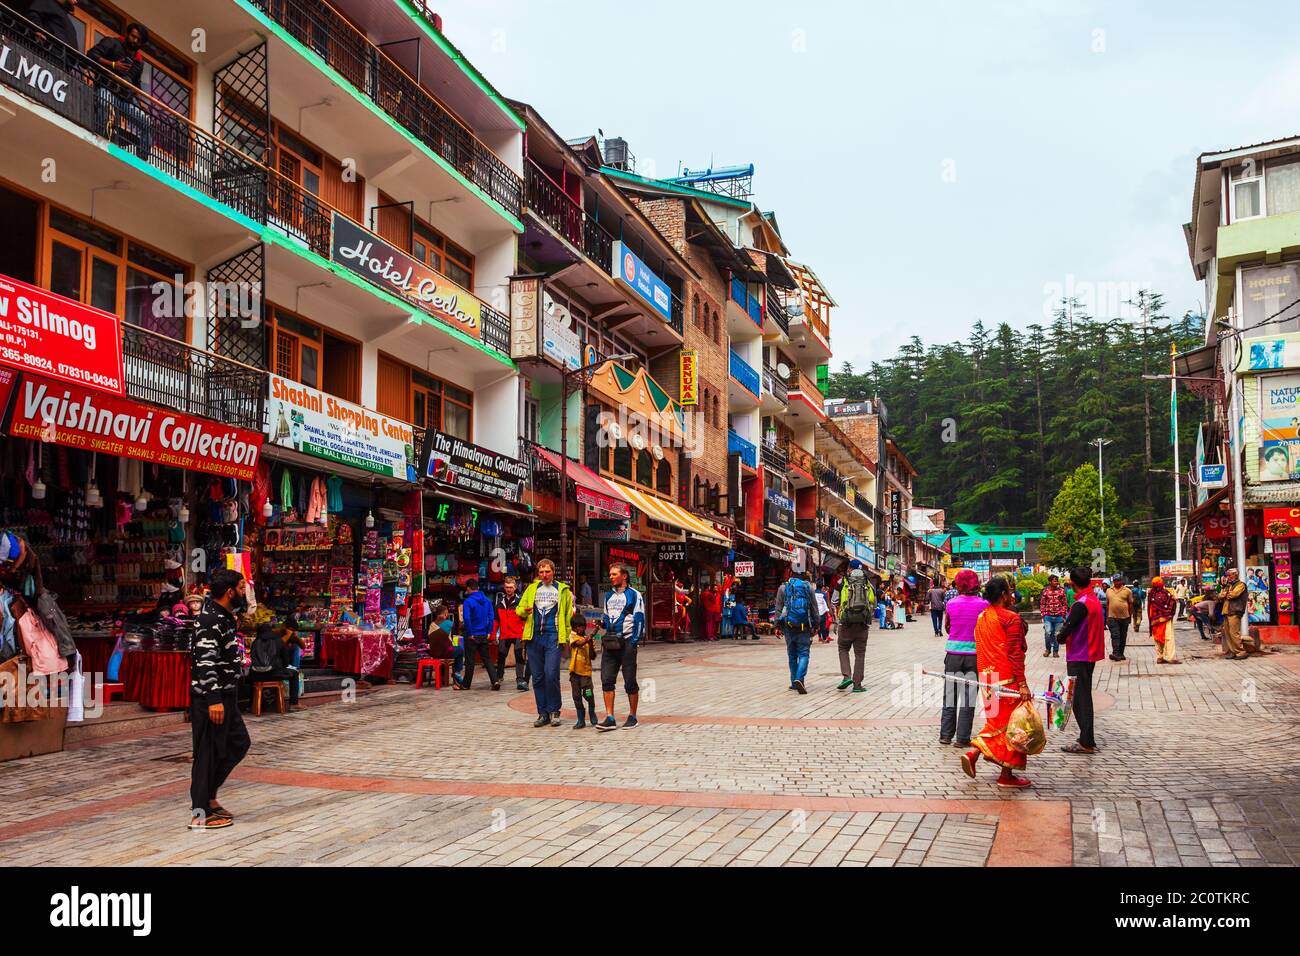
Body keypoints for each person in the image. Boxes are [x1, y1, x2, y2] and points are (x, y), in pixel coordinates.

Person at [189, 569, 251, 830]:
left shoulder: (225, 617)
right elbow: (205, 661)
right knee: (208, 753)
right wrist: (213, 698)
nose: (243, 592)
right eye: (240, 587)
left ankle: (210, 797)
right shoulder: (209, 620)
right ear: (229, 592)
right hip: (211, 698)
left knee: (238, 743)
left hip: (227, 694)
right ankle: (200, 813)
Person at [961, 576, 1033, 788]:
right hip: (1007, 680)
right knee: (1013, 726)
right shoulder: (1010, 618)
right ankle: (1005, 775)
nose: (1011, 595)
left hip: (988, 679)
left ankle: (975, 754)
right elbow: (1015, 653)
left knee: (997, 724)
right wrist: (1022, 683)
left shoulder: (983, 616)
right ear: (1003, 594)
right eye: (1009, 591)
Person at [1057, 566, 1106, 756]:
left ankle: (1086, 741)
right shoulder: (1093, 600)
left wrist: (1060, 636)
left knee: (1079, 699)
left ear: (1072, 582)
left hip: (1079, 653)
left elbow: (1067, 629)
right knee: (1083, 696)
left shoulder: (1081, 604)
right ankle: (1087, 738)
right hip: (1089, 654)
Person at [517, 559, 573, 727]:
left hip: (553, 636)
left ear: (553, 571)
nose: (544, 575)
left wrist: (567, 639)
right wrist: (524, 611)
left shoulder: (562, 590)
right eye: (541, 572)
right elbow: (519, 609)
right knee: (538, 677)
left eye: (547, 571)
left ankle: (555, 710)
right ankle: (543, 713)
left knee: (551, 673)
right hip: (534, 638)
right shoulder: (532, 589)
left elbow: (567, 617)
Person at [88, 22, 151, 156]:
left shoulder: (139, 62)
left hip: (125, 99)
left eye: (138, 40)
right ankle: (101, 139)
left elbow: (136, 85)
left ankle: (142, 159)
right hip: (106, 88)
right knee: (104, 103)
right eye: (133, 36)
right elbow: (91, 54)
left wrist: (141, 103)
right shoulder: (112, 43)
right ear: (127, 34)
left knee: (146, 122)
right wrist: (113, 64)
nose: (134, 41)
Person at [940, 569, 986, 748]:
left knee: (950, 696)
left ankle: (945, 735)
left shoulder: (951, 603)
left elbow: (948, 628)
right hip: (975, 656)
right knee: (968, 699)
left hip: (953, 655)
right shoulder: (984, 604)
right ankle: (962, 738)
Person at [596, 562, 644, 731]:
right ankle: (610, 717)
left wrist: (634, 641)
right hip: (610, 642)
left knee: (630, 680)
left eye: (614, 574)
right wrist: (602, 624)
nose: (611, 577)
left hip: (627, 642)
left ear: (624, 576)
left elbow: (639, 618)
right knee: (606, 680)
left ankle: (633, 716)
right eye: (610, 574)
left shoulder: (634, 595)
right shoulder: (608, 596)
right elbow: (607, 615)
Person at [775, 569, 818, 694]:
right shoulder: (808, 588)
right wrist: (816, 624)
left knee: (792, 655)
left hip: (789, 626)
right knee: (804, 654)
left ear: (790, 577)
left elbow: (778, 609)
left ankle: (794, 682)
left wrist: (777, 626)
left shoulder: (783, 588)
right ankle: (800, 679)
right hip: (804, 626)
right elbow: (814, 607)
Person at [836, 560, 874, 693]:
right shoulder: (867, 583)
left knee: (843, 649)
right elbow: (872, 602)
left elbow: (835, 600)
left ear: (849, 569)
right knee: (860, 654)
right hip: (862, 623)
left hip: (845, 623)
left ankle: (846, 676)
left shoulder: (842, 582)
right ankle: (857, 685)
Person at [247, 622, 304, 710]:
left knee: (251, 677)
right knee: (295, 673)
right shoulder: (278, 641)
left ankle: (251, 705)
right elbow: (285, 662)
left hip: (256, 675)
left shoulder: (255, 642)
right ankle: (294, 704)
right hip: (273, 674)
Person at [458, 579, 499, 690]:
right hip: (484, 634)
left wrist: (470, 633)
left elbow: (466, 618)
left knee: (470, 661)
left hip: (472, 635)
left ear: (468, 588)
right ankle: (495, 681)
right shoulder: (487, 600)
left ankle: (466, 684)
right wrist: (489, 632)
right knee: (487, 659)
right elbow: (491, 617)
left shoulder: (468, 601)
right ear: (478, 588)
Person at [492, 577, 528, 691]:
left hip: (518, 634)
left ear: (515, 588)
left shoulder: (520, 602)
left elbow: (525, 619)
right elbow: (496, 621)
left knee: (519, 657)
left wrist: (525, 634)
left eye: (511, 587)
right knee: (501, 656)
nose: (509, 589)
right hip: (504, 635)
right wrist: (493, 635)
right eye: (507, 587)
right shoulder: (499, 603)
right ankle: (499, 677)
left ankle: (520, 680)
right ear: (504, 587)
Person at [568, 611, 598, 729]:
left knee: (588, 693)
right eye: (577, 627)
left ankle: (592, 710)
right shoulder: (572, 636)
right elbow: (578, 644)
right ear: (573, 628)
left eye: (581, 627)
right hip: (574, 673)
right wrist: (588, 638)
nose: (579, 629)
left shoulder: (589, 639)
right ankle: (581, 719)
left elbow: (593, 656)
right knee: (576, 696)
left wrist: (590, 643)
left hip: (586, 674)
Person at [1215, 568, 1249, 660]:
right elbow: (1219, 596)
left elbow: (1233, 595)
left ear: (1235, 575)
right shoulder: (1228, 586)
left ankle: (1241, 652)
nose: (1228, 577)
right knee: (1227, 633)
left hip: (1235, 611)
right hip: (1226, 611)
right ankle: (1233, 651)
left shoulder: (1241, 585)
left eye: (1230, 575)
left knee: (1234, 633)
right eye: (1228, 575)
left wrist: (1225, 594)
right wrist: (1225, 593)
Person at [1146, 576, 1179, 665]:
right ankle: (1171, 658)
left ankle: (1160, 657)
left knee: (1157, 638)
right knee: (1169, 637)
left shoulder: (1151, 594)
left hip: (1154, 620)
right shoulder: (1166, 594)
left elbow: (1149, 607)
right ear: (1162, 584)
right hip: (1166, 619)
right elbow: (1172, 603)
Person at [1104, 574, 1134, 662]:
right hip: (1112, 617)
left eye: (1118, 580)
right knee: (1115, 635)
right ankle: (1115, 653)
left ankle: (1121, 654)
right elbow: (1108, 604)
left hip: (1124, 617)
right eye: (1115, 581)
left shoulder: (1127, 591)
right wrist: (1107, 617)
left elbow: (1130, 604)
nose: (1116, 582)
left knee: (1123, 636)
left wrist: (1130, 616)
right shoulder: (1109, 591)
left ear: (1121, 581)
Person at [1039, 574, 1068, 658]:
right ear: (1050, 582)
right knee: (1047, 633)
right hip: (1048, 616)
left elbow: (1064, 604)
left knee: (1056, 635)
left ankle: (1055, 651)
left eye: (1057, 581)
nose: (1056, 582)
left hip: (1059, 617)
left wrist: (1063, 614)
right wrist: (1043, 614)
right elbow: (1042, 604)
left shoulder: (1061, 591)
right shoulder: (1045, 592)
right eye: (1054, 581)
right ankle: (1048, 649)